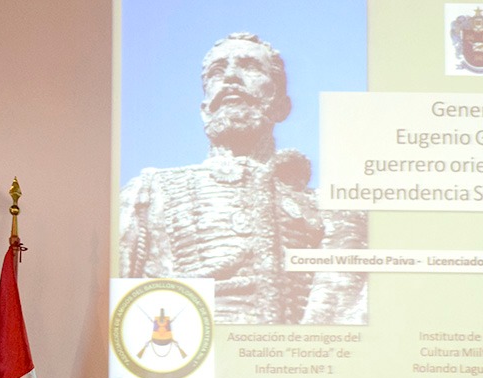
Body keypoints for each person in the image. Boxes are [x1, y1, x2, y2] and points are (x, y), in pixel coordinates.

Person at [118, 32, 367, 325]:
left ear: (281, 106)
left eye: (250, 66)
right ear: (204, 110)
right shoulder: (151, 192)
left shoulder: (331, 209)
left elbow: (350, 309)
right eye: (217, 71)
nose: (231, 77)